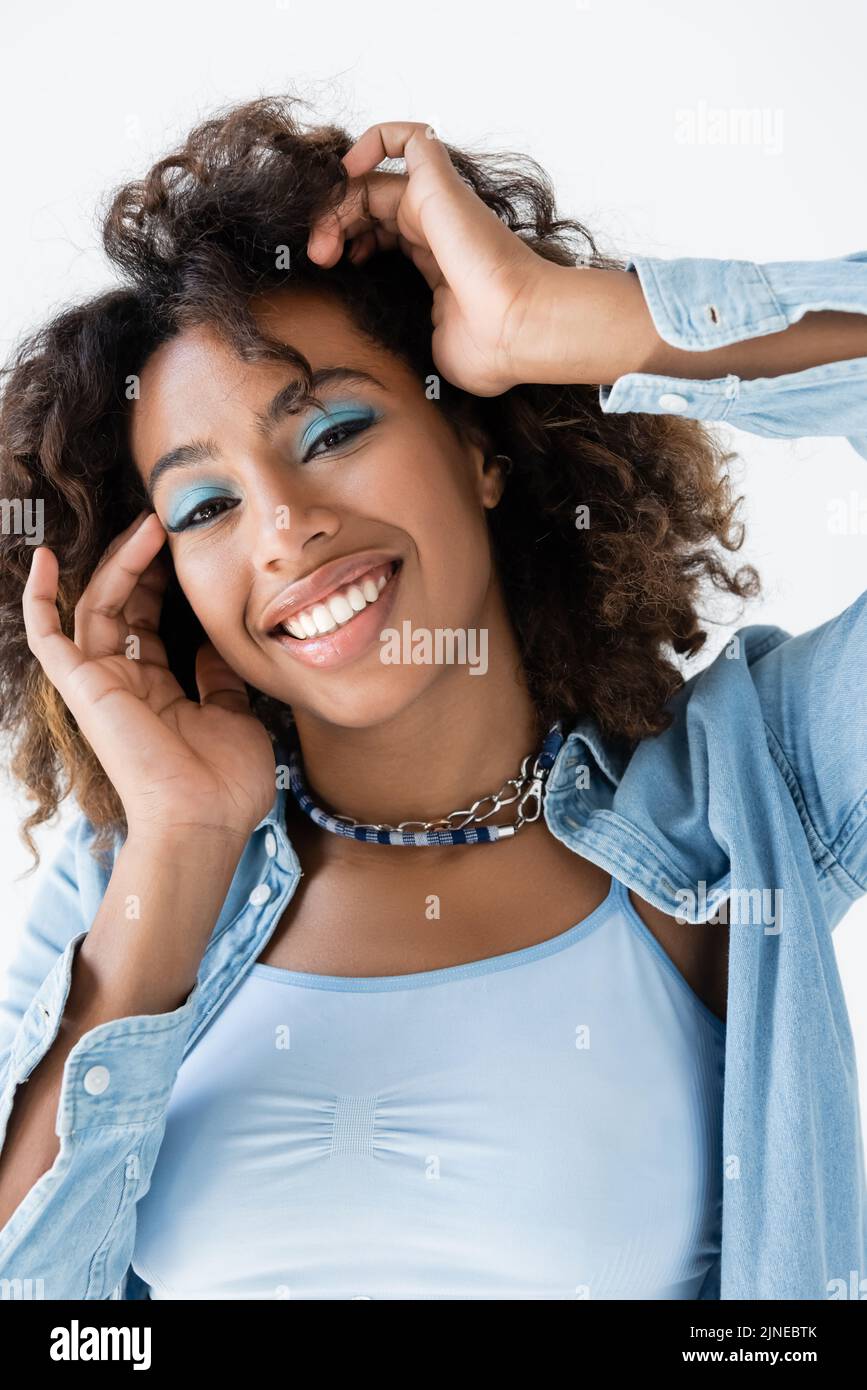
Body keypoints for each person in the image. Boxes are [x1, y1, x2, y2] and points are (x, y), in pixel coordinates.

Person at [0, 95, 865, 1301]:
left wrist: (566, 322)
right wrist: (181, 857)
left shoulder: (748, 793)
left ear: (481, 448)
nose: (286, 526)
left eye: (335, 427)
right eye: (204, 507)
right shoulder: (119, 889)